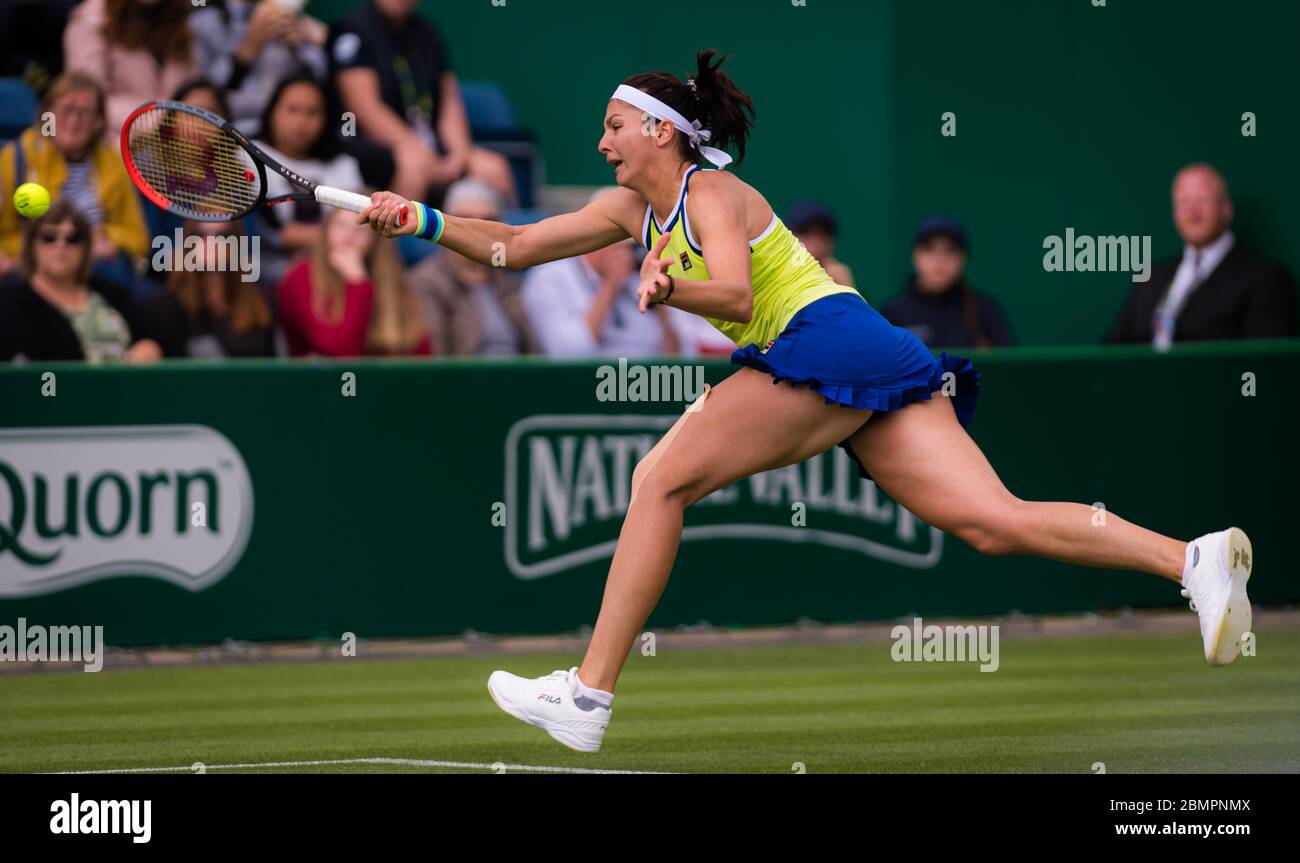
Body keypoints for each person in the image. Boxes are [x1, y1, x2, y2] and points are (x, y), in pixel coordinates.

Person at [358, 50, 1255, 753]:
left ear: (663, 134)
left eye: (615, 126)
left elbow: (741, 299)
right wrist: (423, 220)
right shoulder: (629, 211)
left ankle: (587, 695)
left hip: (824, 339)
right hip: (867, 345)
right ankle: (1194, 561)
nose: (602, 142)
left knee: (659, 478)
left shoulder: (711, 193)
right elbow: (513, 244)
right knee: (993, 519)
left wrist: (670, 291)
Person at [327, 0, 514, 205]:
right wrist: (418, 150)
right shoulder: (352, 31)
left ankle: (515, 236)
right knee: (415, 166)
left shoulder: (428, 33)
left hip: (429, 146)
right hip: (371, 146)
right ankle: (395, 236)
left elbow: (448, 101)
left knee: (494, 168)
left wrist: (460, 153)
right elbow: (364, 108)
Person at [1106, 163, 1297, 346]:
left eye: (1203, 199)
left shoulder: (1264, 277)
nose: (1192, 211)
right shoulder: (1150, 278)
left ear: (1226, 209)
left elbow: (1263, 361)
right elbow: (1113, 350)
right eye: (1183, 202)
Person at [0, 72, 149, 282]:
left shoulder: (113, 162)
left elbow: (139, 238)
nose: (73, 120)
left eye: (85, 113)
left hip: (97, 270)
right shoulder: (17, 156)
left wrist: (102, 237)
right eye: (66, 110)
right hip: (33, 271)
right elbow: (5, 236)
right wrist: (44, 248)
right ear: (47, 113)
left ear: (99, 120)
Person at [523, 188, 678, 358]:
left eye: (632, 246)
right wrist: (610, 287)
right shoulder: (549, 277)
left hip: (642, 379)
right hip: (582, 381)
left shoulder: (635, 277)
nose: (627, 252)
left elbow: (677, 355)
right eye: (621, 243)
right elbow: (569, 353)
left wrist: (661, 307)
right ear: (597, 239)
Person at [0, 199, 160, 363]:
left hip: (123, 385)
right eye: (49, 237)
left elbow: (148, 338)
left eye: (73, 238)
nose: (61, 245)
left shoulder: (110, 292)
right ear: (32, 245)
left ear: (86, 247)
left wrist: (147, 349)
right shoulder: (10, 300)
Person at [253, 73, 366, 288]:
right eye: (292, 109)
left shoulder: (343, 165)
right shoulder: (248, 157)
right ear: (272, 112)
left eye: (313, 112)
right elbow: (272, 235)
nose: (301, 122)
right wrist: (334, 238)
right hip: (270, 268)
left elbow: (361, 226)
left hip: (341, 264)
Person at [405, 179, 538, 357]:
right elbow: (435, 361)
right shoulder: (426, 282)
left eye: (489, 221)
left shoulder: (509, 281)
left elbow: (537, 354)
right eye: (465, 220)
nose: (478, 230)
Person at [278, 206, 429, 357]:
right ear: (326, 230)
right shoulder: (301, 277)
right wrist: (357, 284)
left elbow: (417, 348)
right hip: (322, 380)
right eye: (340, 225)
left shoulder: (390, 281)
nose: (348, 236)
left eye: (360, 230)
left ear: (375, 240)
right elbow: (339, 353)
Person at [62, 0, 198, 147]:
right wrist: (165, 119)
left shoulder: (182, 20)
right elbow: (87, 102)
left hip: (179, 149)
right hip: (114, 148)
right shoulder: (90, 21)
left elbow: (194, 91)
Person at [190, 0, 329, 134]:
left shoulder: (289, 15)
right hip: (229, 128)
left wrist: (298, 45)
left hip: (283, 131)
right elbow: (203, 89)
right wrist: (246, 50)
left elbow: (320, 75)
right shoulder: (205, 20)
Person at [146, 219, 275, 358]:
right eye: (200, 234)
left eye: (222, 235)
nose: (211, 241)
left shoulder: (260, 303)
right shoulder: (165, 308)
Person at [882, 216, 1014, 348]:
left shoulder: (985, 312)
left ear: (963, 258)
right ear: (916, 255)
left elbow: (1006, 365)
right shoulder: (893, 314)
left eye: (950, 250)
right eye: (929, 249)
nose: (939, 259)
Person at [784, 199, 855, 289]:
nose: (816, 241)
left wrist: (846, 290)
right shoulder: (778, 273)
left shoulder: (837, 277)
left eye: (825, 234)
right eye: (806, 232)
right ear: (789, 234)